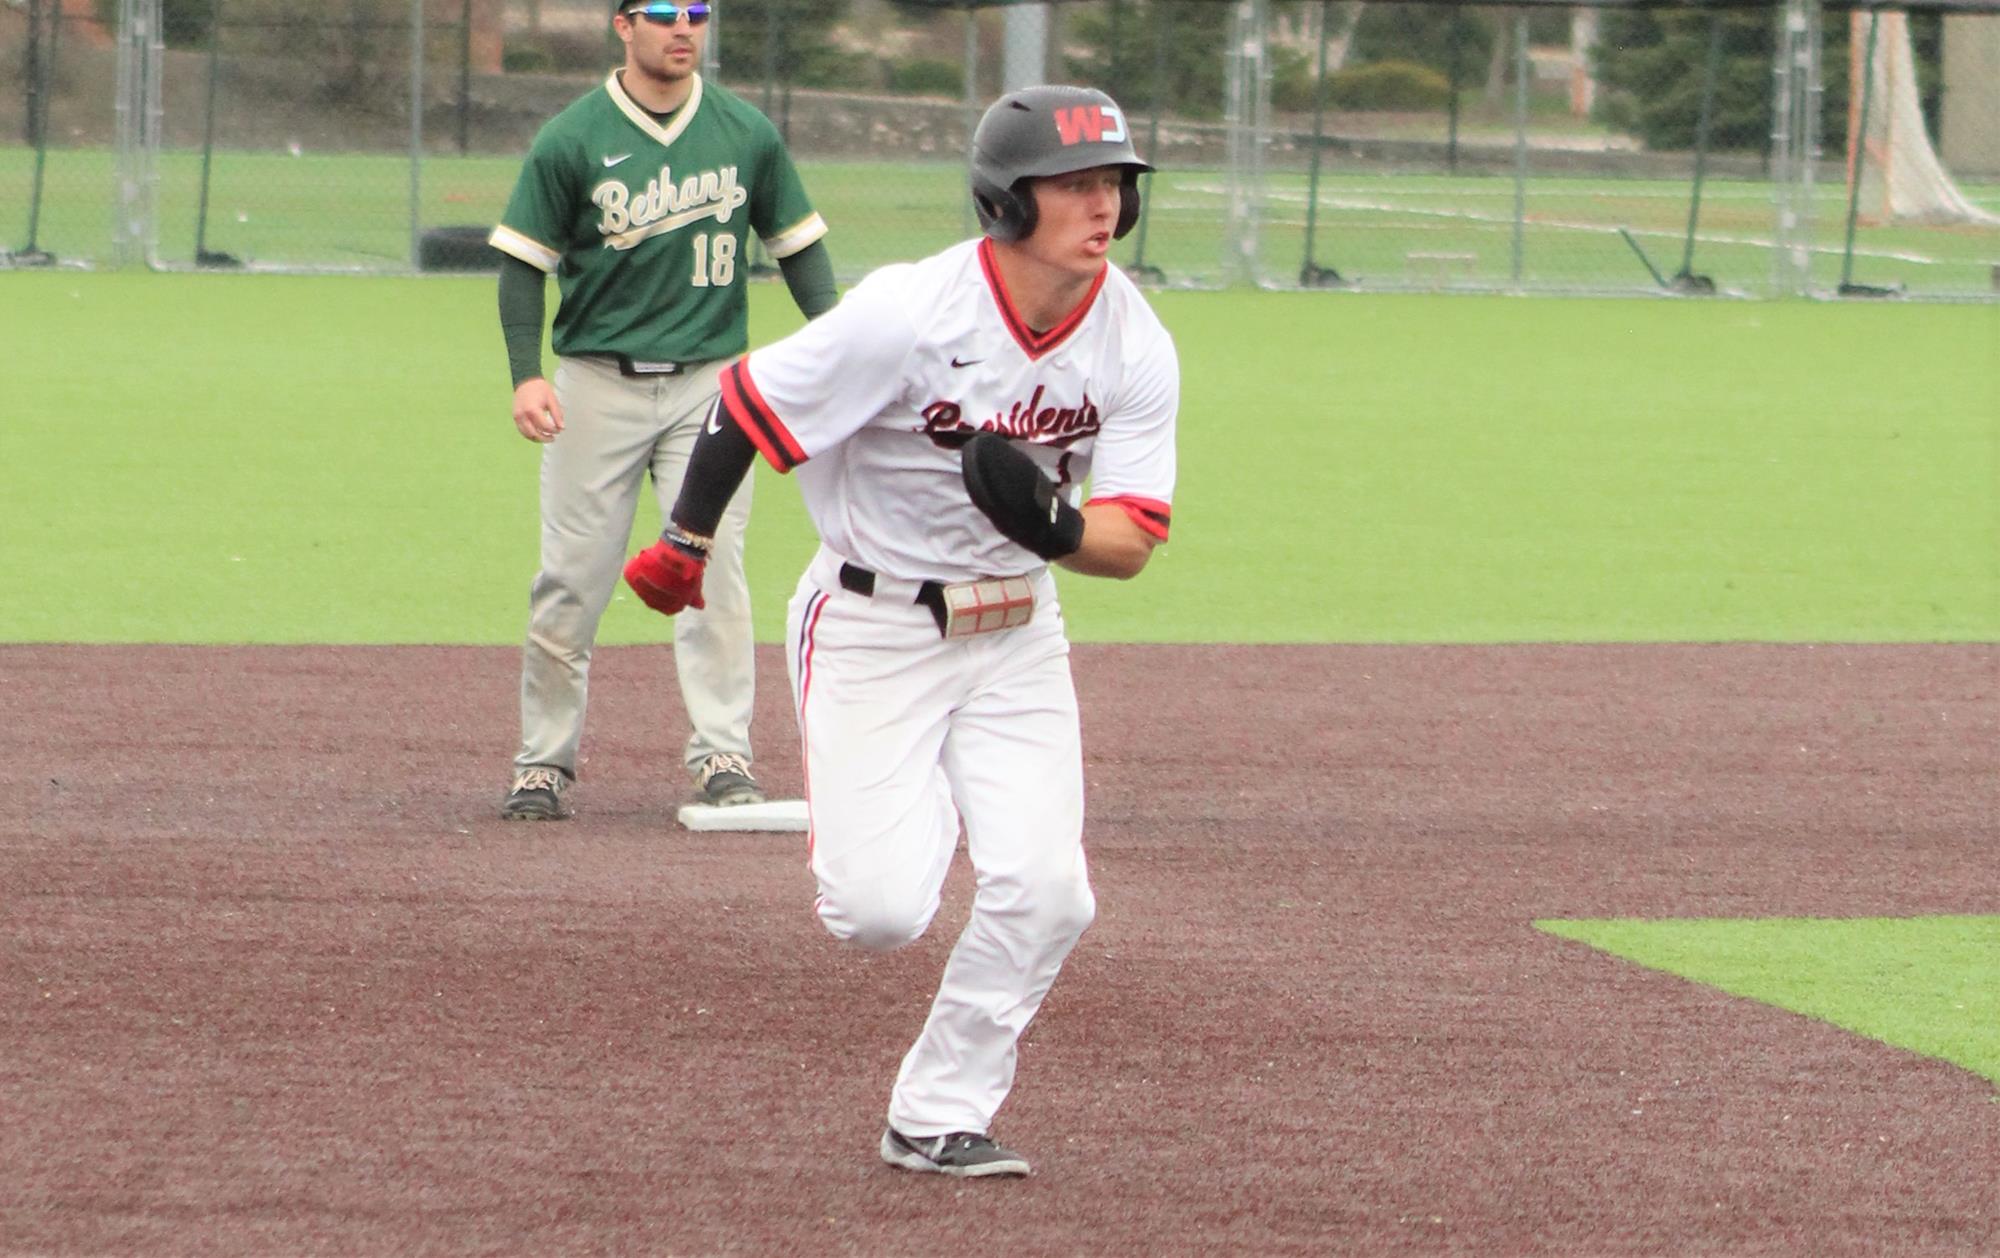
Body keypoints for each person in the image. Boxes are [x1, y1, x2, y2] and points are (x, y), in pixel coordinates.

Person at [620, 84, 1178, 1177]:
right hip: (873, 622)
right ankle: (909, 796)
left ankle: (935, 1112)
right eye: (1072, 183)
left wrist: (1053, 526)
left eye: (1114, 182)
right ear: (1005, 201)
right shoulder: (907, 311)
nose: (1101, 204)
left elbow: (1131, 541)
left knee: (1049, 890)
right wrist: (684, 540)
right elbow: (747, 398)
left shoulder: (1133, 337)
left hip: (1019, 631)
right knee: (877, 913)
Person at [487, 0, 837, 821]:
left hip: (711, 388)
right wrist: (525, 374)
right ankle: (542, 763)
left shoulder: (744, 133)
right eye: (663, 12)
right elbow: (522, 264)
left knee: (712, 570)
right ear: (622, 25)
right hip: (595, 383)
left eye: (698, 13)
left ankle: (722, 754)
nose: (684, 28)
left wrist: (847, 348)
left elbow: (801, 253)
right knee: (570, 581)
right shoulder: (571, 138)